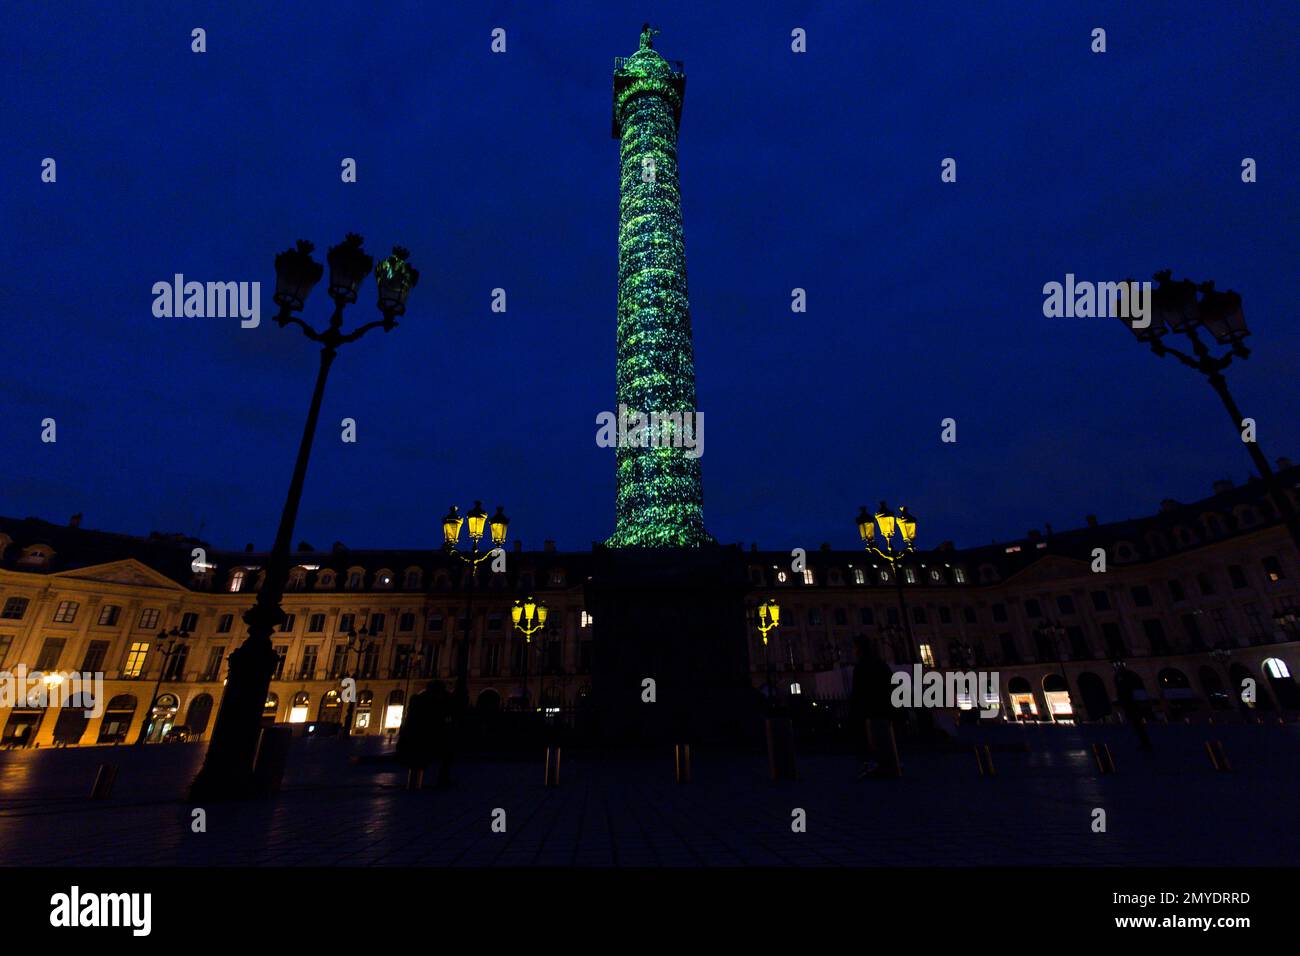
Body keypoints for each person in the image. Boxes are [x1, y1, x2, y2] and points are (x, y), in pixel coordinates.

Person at [850, 635, 900, 778]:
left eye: (855, 648)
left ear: (859, 649)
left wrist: (855, 708)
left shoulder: (861, 666)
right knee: (884, 736)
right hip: (883, 706)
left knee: (868, 738)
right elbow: (891, 684)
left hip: (868, 708)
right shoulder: (880, 663)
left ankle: (874, 764)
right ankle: (888, 761)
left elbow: (857, 691)